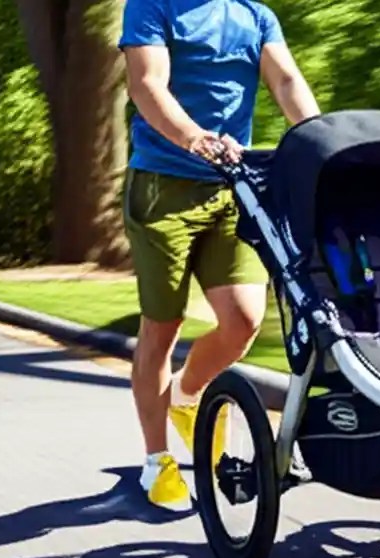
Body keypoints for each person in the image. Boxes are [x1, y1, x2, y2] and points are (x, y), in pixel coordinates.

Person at [118, 0, 320, 510]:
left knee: (244, 320)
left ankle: (187, 396)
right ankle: (156, 461)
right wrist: (195, 139)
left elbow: (287, 82)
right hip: (163, 188)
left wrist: (321, 140)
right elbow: (147, 83)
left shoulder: (254, 14)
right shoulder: (152, 6)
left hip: (234, 187)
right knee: (162, 328)